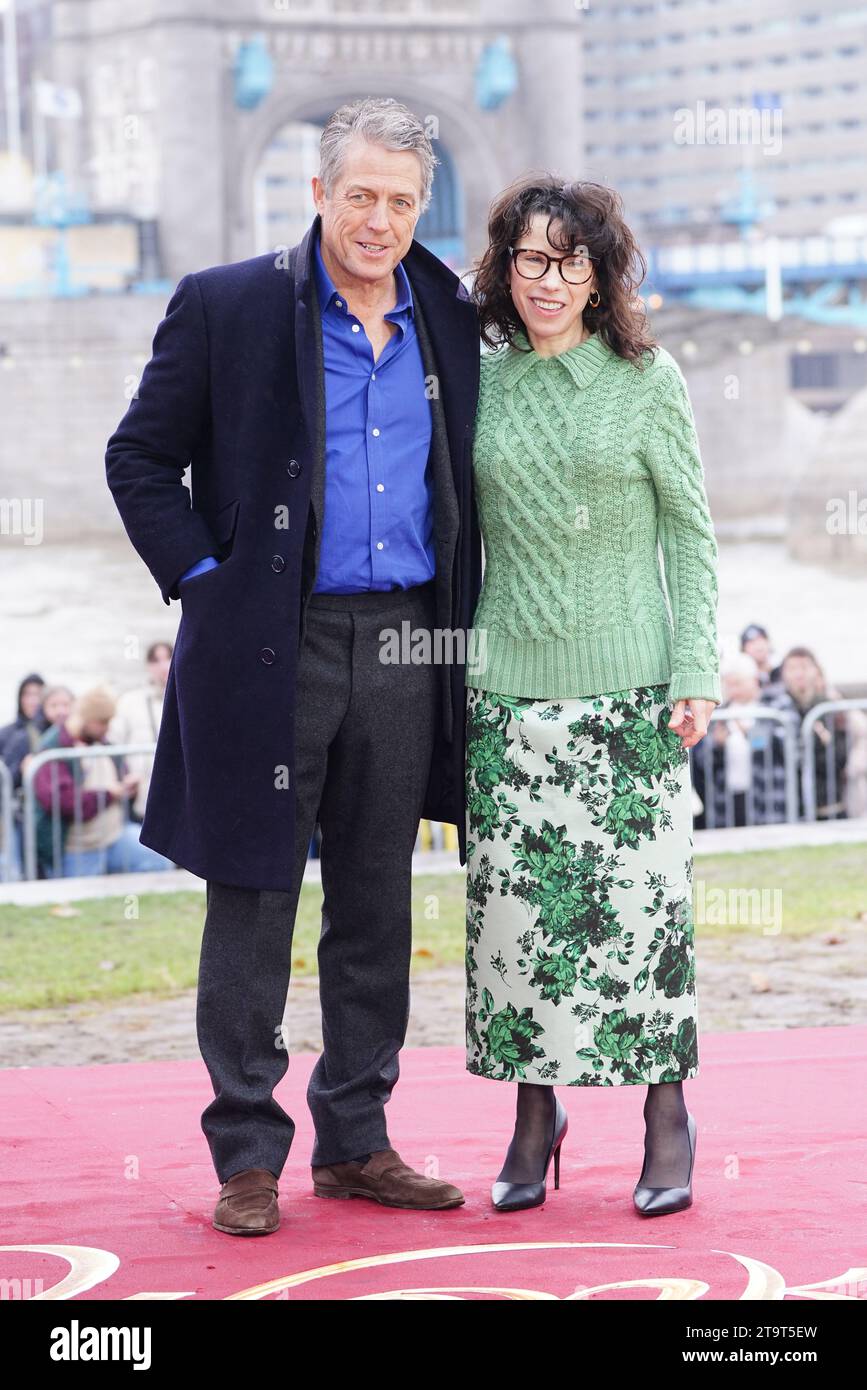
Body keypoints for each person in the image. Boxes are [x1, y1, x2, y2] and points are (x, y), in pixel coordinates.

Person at [105, 97, 482, 1235]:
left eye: (401, 201)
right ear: (319, 192)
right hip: (277, 642)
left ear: (424, 207)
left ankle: (358, 1141)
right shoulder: (229, 305)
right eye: (359, 194)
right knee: (256, 898)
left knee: (375, 901)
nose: (379, 219)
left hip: (410, 642)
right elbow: (139, 460)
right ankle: (248, 1155)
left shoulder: (456, 312)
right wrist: (210, 583)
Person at [465, 176, 721, 1215]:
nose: (550, 280)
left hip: (632, 698)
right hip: (507, 696)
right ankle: (536, 1111)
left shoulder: (649, 379)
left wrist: (697, 669)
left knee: (640, 918)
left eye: (571, 260)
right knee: (517, 925)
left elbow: (691, 536)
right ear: (505, 267)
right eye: (531, 258)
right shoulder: (480, 382)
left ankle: (666, 1113)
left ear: (602, 272)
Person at [33, 687, 175, 878]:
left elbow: (120, 775)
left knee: (159, 860)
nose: (107, 727)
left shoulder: (102, 743)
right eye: (102, 722)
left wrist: (127, 787)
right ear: (86, 719)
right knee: (79, 900)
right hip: (77, 848)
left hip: (115, 837)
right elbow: (62, 801)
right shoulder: (53, 748)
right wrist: (110, 793)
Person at [762, 646, 867, 820]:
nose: (799, 674)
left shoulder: (830, 707)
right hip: (788, 805)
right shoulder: (777, 707)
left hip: (830, 804)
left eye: (804, 667)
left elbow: (839, 756)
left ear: (815, 671)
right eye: (793, 668)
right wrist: (820, 741)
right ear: (784, 674)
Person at [691, 654, 788, 827]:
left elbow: (783, 747)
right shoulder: (720, 713)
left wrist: (750, 735)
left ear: (753, 680)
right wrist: (717, 746)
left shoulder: (774, 706)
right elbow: (702, 762)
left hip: (766, 797)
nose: (732, 690)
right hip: (728, 800)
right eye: (728, 684)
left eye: (737, 684)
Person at [108, 641, 173, 822]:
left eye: (168, 657)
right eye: (156, 660)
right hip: (142, 797)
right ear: (148, 666)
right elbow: (112, 743)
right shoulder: (130, 702)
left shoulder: (190, 699)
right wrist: (123, 778)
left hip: (178, 796)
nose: (164, 666)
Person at [740, 624, 782, 689]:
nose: (758, 646)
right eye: (752, 642)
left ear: (768, 643)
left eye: (761, 640)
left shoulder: (782, 672)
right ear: (744, 649)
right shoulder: (740, 679)